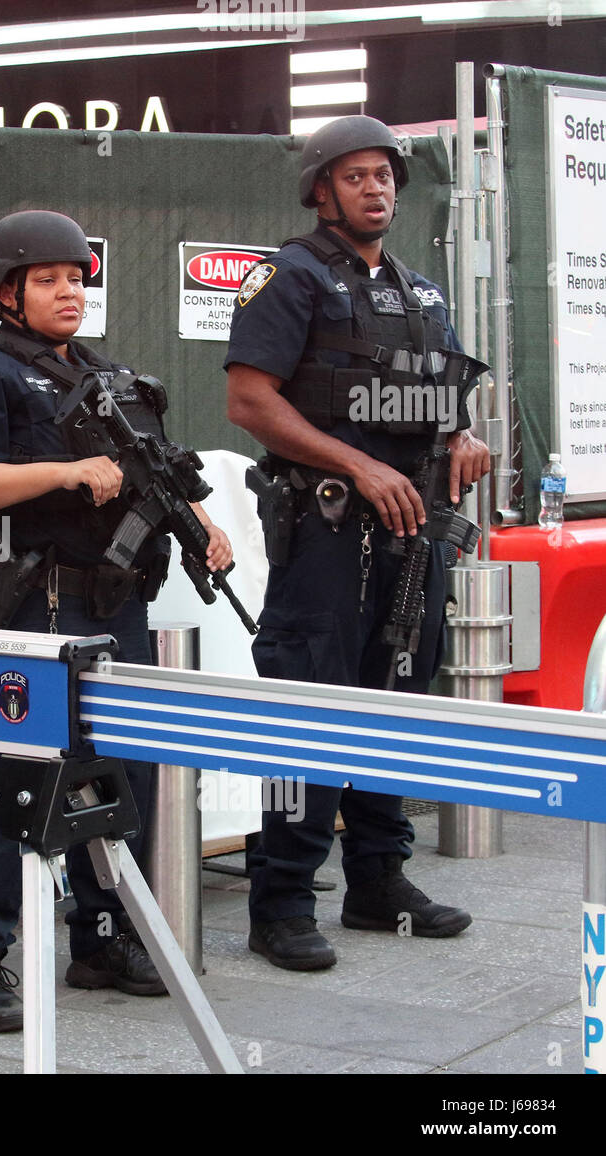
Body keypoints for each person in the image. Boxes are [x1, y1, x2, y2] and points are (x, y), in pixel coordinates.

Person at [0, 210, 232, 1030]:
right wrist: (65, 472)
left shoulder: (109, 376)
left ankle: (101, 940)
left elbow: (159, 474)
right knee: (13, 782)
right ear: (8, 291)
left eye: (77, 277)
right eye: (49, 278)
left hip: (115, 601)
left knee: (121, 776)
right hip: (31, 603)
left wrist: (201, 526)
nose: (69, 291)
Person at [225, 115, 491, 971]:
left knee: (399, 704)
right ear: (321, 188)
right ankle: (282, 900)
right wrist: (357, 464)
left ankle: (379, 882)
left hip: (416, 535)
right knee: (303, 713)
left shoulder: (422, 295)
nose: (376, 188)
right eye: (356, 176)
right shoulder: (286, 275)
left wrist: (463, 438)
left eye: (385, 175)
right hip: (328, 530)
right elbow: (251, 401)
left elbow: (444, 401)